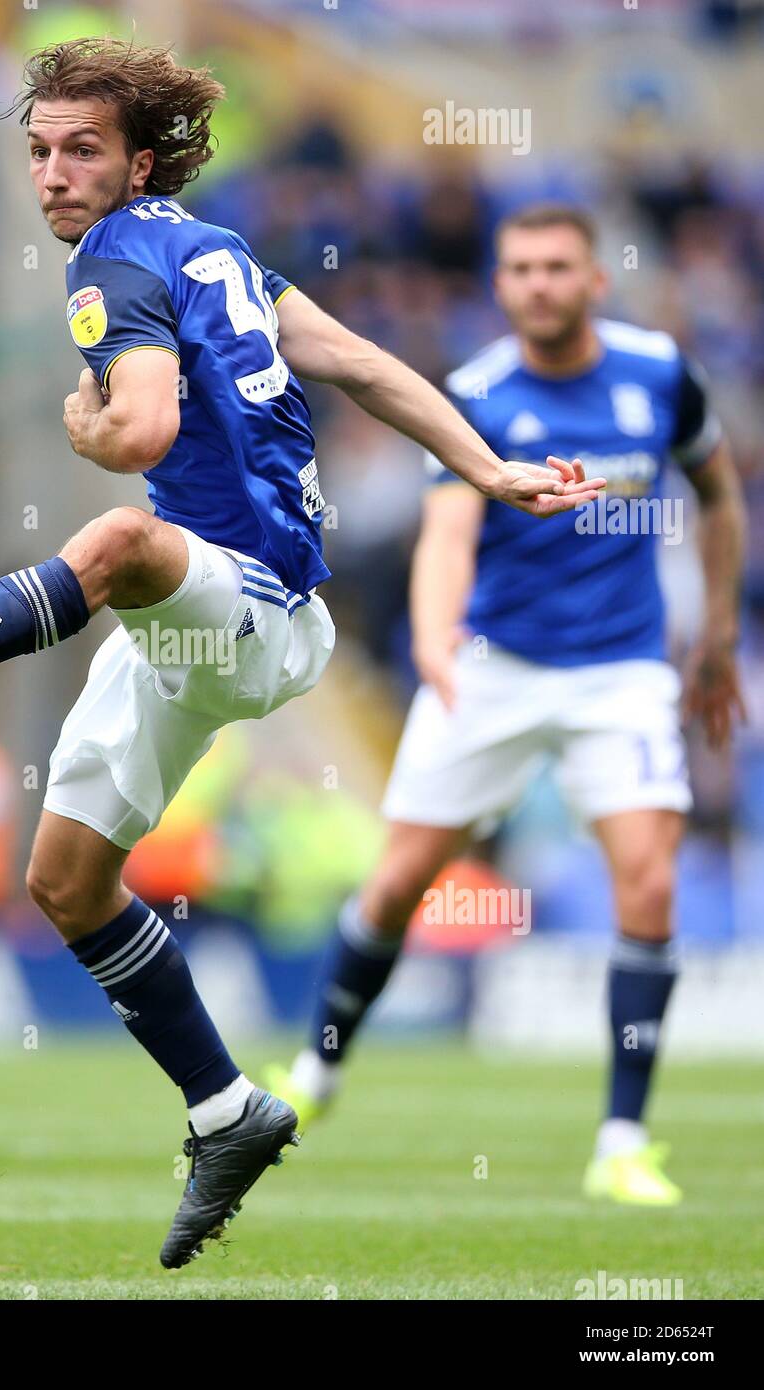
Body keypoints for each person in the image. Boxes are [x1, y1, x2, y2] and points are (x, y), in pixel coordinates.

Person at [0, 44, 600, 1265]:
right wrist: (487, 468)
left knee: (118, 537)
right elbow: (367, 366)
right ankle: (226, 1108)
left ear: (140, 160)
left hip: (249, 603)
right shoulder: (214, 249)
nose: (55, 175)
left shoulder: (112, 263)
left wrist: (86, 420)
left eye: (82, 151)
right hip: (210, 618)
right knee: (64, 880)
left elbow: (140, 434)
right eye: (40, 151)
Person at [269, 203, 745, 1207]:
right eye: (519, 268)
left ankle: (622, 1139)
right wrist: (437, 636)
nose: (537, 283)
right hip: (492, 664)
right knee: (398, 882)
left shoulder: (659, 376)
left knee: (648, 885)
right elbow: (446, 532)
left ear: (593, 280)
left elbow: (719, 496)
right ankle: (316, 1073)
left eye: (556, 266)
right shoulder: (476, 393)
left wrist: (712, 644)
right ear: (499, 284)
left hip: (619, 669)